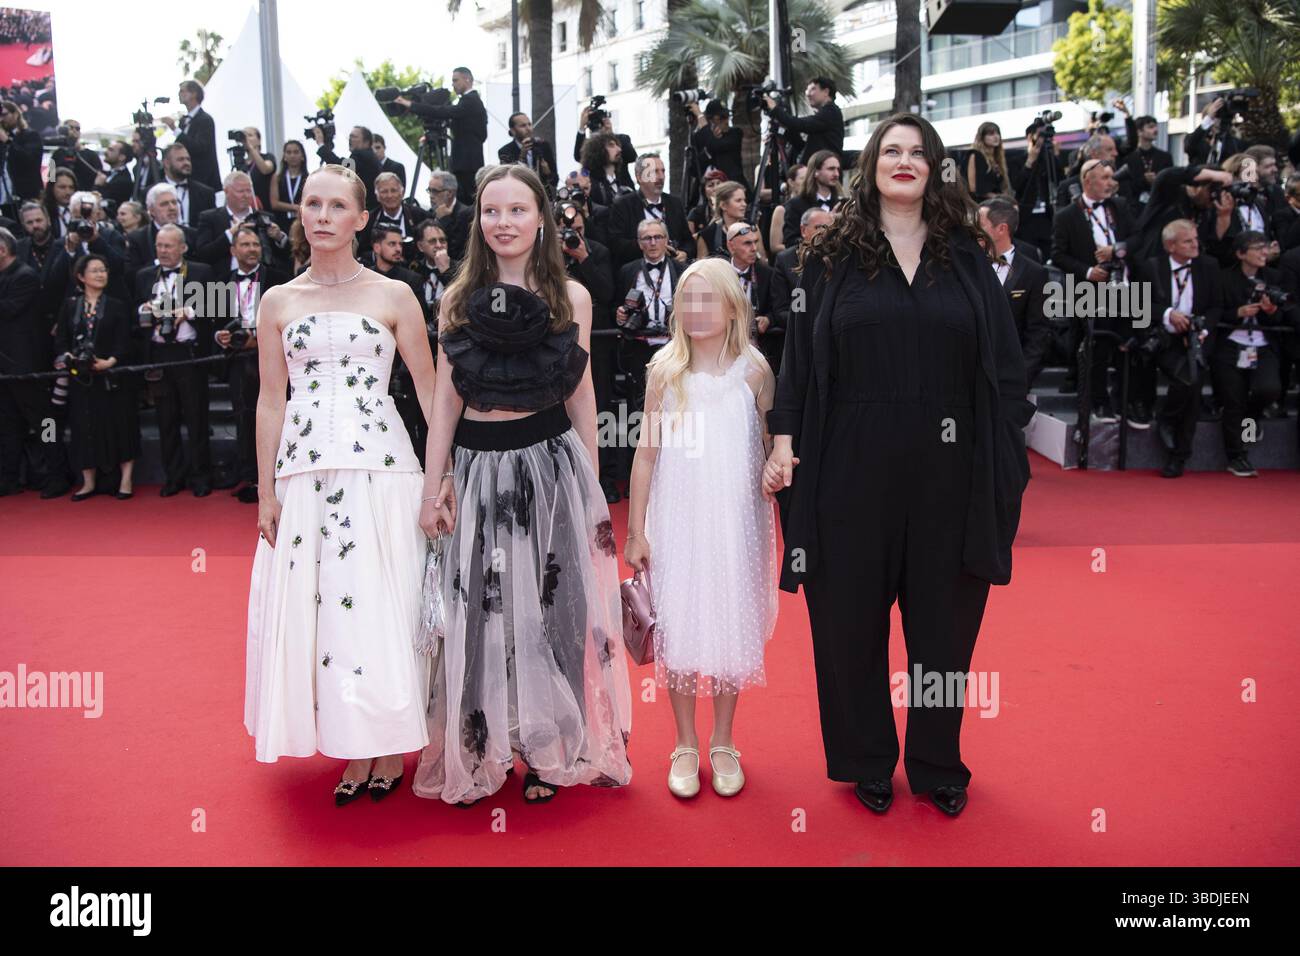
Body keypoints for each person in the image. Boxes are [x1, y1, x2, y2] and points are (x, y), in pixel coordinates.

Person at [763, 113, 1033, 818]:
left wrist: (1004, 447)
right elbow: (798, 365)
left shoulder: (968, 257)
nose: (905, 161)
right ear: (872, 166)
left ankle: (938, 760)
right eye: (892, 151)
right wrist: (784, 440)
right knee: (848, 621)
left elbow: (1006, 365)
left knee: (944, 625)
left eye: (918, 152)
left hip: (952, 470)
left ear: (935, 166)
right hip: (850, 461)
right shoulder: (828, 259)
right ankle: (865, 759)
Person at [412, 163, 632, 806]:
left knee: (559, 611)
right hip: (480, 472)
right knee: (480, 615)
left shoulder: (574, 297)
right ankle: (483, 749)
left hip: (551, 465)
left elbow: (584, 392)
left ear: (541, 219)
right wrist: (434, 489)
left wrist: (591, 482)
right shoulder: (455, 300)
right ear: (477, 222)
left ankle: (551, 747)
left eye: (516, 210)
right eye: (491, 211)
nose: (502, 223)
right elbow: (444, 406)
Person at [244, 163, 437, 804]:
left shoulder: (395, 295)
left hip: (382, 470)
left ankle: (385, 742)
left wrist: (443, 478)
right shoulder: (278, 301)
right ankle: (347, 743)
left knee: (380, 607)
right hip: (303, 475)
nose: (322, 215)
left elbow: (431, 393)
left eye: (336, 206)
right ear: (301, 213)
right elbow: (272, 401)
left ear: (361, 218)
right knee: (320, 609)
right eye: (312, 204)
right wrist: (267, 488)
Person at [624, 257, 777, 799]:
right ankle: (685, 742)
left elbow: (766, 446)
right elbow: (645, 455)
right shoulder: (666, 370)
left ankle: (724, 740)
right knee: (683, 624)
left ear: (733, 305)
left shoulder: (755, 370)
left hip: (736, 521)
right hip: (679, 517)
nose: (696, 309)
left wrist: (775, 469)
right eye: (687, 299)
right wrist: (637, 530)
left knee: (731, 623)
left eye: (708, 298)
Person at [132, 224, 214, 496]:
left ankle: (201, 476)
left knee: (196, 418)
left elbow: (218, 305)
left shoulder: (201, 271)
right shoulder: (144, 275)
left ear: (183, 247)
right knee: (165, 420)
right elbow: (135, 311)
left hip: (189, 355)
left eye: (168, 246)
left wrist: (187, 311)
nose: (163, 251)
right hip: (159, 356)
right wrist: (144, 310)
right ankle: (173, 477)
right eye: (159, 246)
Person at [1138, 220, 1222, 478]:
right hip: (1163, 339)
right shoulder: (1151, 267)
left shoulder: (1209, 266)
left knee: (1193, 386)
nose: (1195, 245)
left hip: (1198, 337)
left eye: (1196, 239)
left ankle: (1178, 454)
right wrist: (1167, 314)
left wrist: (1202, 329)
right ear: (1170, 245)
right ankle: (1168, 421)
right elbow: (1138, 303)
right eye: (1188, 241)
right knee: (1187, 382)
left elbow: (1216, 306)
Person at [53, 254, 139, 499]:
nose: (101, 275)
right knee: (83, 427)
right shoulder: (70, 305)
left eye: (104, 270)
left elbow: (126, 340)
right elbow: (60, 341)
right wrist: (69, 356)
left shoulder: (117, 304)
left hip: (113, 376)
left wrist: (111, 361)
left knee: (121, 425)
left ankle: (126, 480)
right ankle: (88, 481)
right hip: (81, 379)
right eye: (95, 271)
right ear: (81, 276)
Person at [214, 225, 288, 503]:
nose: (252, 249)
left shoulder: (278, 278)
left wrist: (257, 339)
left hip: (271, 358)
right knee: (243, 417)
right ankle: (250, 476)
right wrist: (220, 336)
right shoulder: (221, 281)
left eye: (256, 244)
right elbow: (215, 323)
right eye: (245, 245)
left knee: (276, 414)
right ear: (233, 250)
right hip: (237, 361)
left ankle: (278, 475)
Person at [1214, 230, 1296, 477]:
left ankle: (1250, 421)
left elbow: (1284, 315)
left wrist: (1271, 311)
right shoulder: (1223, 279)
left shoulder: (1274, 277)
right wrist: (1237, 313)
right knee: (1233, 401)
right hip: (1230, 345)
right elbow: (1215, 311)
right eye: (1257, 248)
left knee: (1268, 390)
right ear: (1241, 254)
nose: (1264, 252)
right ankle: (1237, 456)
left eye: (1265, 248)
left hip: (1263, 344)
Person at [0, 226, 71, 498]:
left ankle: (57, 474)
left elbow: (8, 309)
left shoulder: (25, 276)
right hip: (5, 366)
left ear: (3, 249)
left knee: (45, 423)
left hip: (27, 366)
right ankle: (10, 477)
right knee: (7, 423)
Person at [979, 197, 1052, 389]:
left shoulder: (1034, 273)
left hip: (1009, 380)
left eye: (980, 225)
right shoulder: (964, 265)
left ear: (1001, 229)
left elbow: (1038, 331)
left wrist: (1022, 376)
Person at [398, 67, 487, 205]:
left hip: (467, 164)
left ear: (467, 79)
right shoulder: (469, 101)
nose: (453, 84)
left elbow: (442, 111)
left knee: (467, 203)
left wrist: (410, 104)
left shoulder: (471, 101)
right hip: (466, 162)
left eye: (455, 80)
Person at [763, 77, 844, 165]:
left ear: (826, 92)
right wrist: (784, 130)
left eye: (813, 89)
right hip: (817, 170)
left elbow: (800, 124)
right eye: (807, 90)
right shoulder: (825, 115)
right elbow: (802, 147)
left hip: (823, 171)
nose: (808, 94)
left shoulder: (830, 112)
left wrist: (775, 109)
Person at [161, 79, 222, 192]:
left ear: (194, 93)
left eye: (183, 91)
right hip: (188, 178)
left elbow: (199, 147)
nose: (180, 94)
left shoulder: (205, 120)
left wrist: (175, 129)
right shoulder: (184, 121)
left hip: (204, 179)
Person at [780, 150, 842, 251]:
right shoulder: (796, 204)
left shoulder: (842, 204)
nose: (836, 174)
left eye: (838, 169)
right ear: (815, 172)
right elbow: (790, 242)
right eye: (831, 169)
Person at [697, 180, 765, 261]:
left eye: (744, 200)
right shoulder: (708, 234)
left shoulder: (752, 227)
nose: (744, 204)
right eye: (738, 200)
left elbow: (762, 260)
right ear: (723, 205)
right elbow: (701, 268)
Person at [314, 124, 381, 201]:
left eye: (354, 137)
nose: (350, 139)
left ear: (366, 142)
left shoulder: (361, 154)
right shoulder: (369, 155)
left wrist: (321, 144)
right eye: (350, 136)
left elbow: (341, 168)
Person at [498, 112, 558, 195]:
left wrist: (547, 172)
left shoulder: (543, 146)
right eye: (523, 126)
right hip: (519, 195)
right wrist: (522, 156)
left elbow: (555, 181)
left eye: (529, 124)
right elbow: (509, 181)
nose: (528, 128)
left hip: (542, 196)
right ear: (513, 131)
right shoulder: (505, 151)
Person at [269, 139, 308, 231]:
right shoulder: (277, 178)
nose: (292, 155)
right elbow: (274, 203)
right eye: (289, 152)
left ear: (302, 156)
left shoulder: (309, 179)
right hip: (281, 222)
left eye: (296, 152)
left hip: (302, 222)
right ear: (284, 157)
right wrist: (295, 207)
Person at [966, 122, 1011, 202]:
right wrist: (998, 197)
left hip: (997, 203)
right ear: (982, 137)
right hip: (980, 204)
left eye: (997, 133)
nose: (996, 136)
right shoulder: (975, 155)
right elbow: (972, 188)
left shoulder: (998, 158)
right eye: (991, 134)